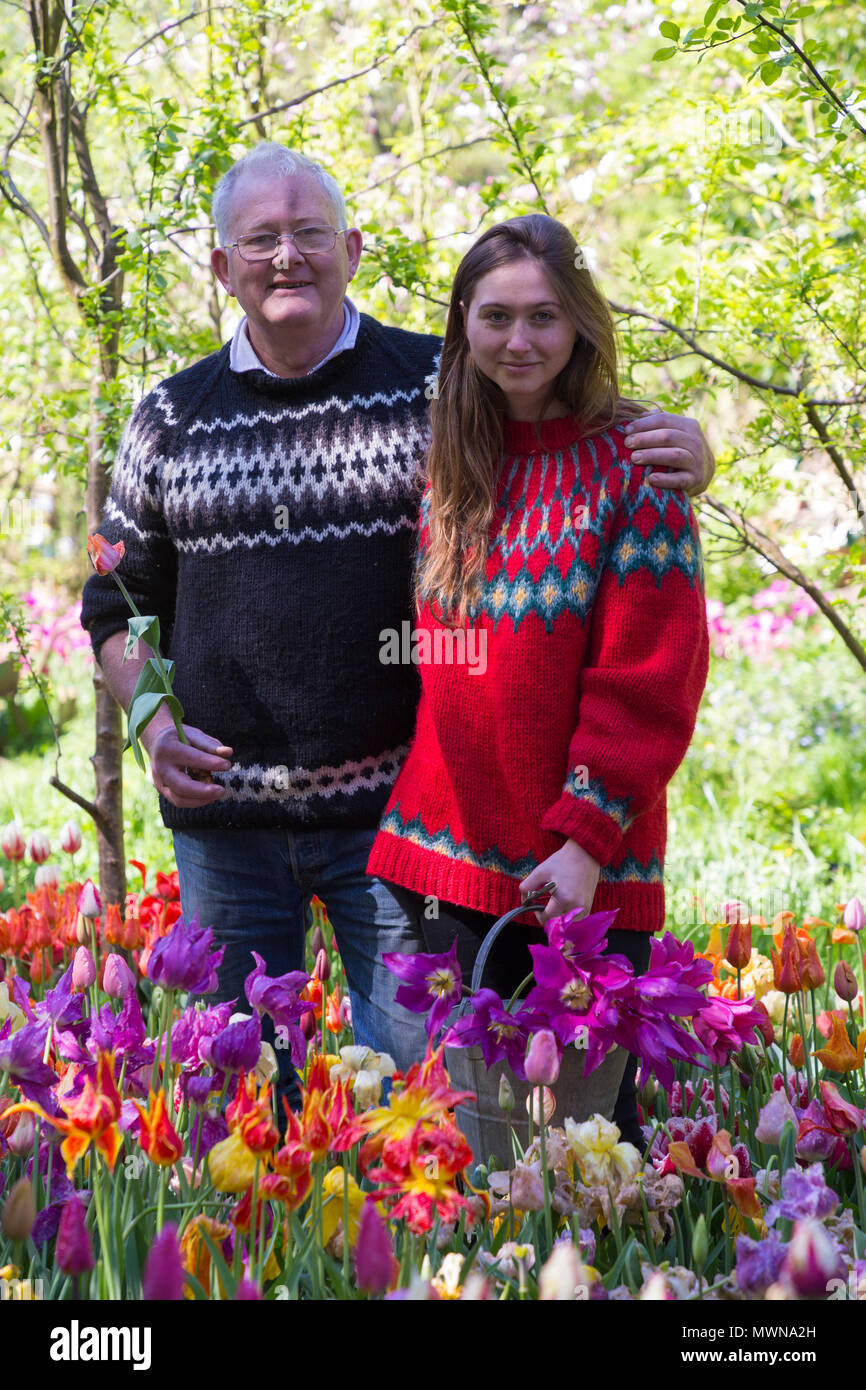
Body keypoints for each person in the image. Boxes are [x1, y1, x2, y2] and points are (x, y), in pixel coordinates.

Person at [80, 142, 714, 1111]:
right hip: (225, 827)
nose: (286, 256)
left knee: (421, 1108)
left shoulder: (439, 390)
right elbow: (120, 604)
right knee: (233, 1101)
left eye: (309, 234)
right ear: (221, 265)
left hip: (397, 824)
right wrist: (154, 726)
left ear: (353, 248)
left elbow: (563, 438)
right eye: (260, 239)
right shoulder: (168, 414)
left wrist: (682, 448)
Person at [366, 213, 711, 1146]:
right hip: (440, 859)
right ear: (463, 328)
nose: (520, 340)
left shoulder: (635, 470)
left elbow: (649, 682)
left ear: (580, 327)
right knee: (457, 1146)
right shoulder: (453, 460)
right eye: (496, 317)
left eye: (545, 317)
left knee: (588, 1139)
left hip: (579, 872)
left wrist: (588, 840)